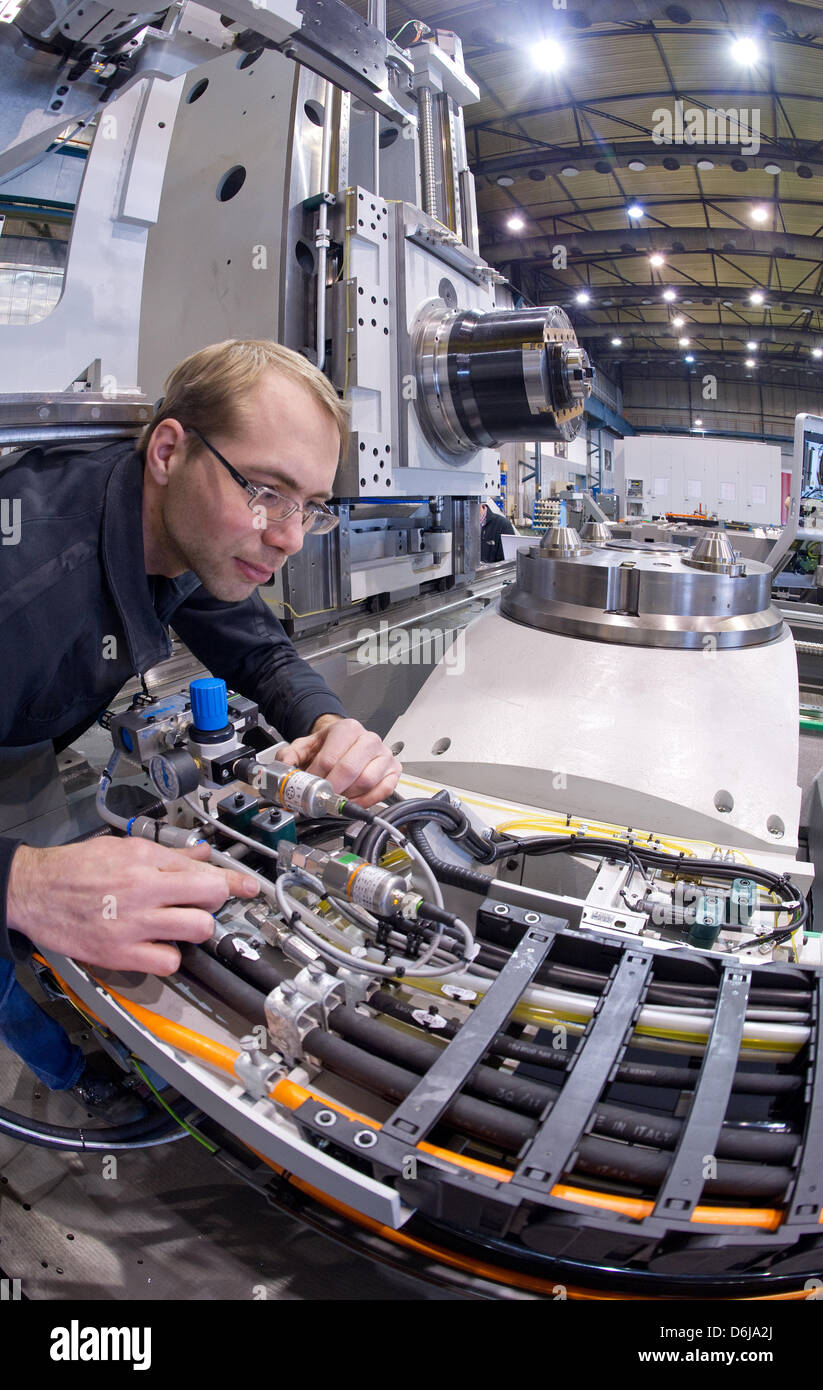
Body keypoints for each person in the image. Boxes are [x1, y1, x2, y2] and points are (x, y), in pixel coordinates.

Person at [0, 338, 402, 1119]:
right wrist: (23, 884)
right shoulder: (21, 581)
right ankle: (64, 1073)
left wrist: (331, 722)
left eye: (309, 507)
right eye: (266, 491)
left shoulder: (183, 527)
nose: (287, 536)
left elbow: (258, 648)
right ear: (169, 449)